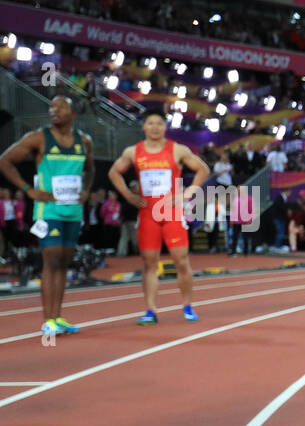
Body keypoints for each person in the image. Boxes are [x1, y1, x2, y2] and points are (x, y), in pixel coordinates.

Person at [0, 95, 93, 337]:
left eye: (60, 107)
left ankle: (58, 317)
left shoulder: (84, 141)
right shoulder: (39, 137)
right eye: (51, 107)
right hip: (48, 210)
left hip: (73, 210)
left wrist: (86, 189)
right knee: (51, 260)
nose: (54, 111)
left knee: (64, 261)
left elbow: (90, 169)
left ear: (73, 114)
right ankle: (48, 320)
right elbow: (5, 161)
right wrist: (27, 189)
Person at [107, 109, 210, 324]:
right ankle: (151, 310)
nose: (155, 127)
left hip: (171, 212)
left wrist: (188, 192)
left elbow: (202, 169)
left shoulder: (177, 150)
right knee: (149, 264)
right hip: (147, 214)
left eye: (159, 123)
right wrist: (127, 195)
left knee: (181, 261)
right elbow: (113, 172)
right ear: (144, 127)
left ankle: (188, 306)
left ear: (165, 127)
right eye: (150, 123)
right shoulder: (133, 152)